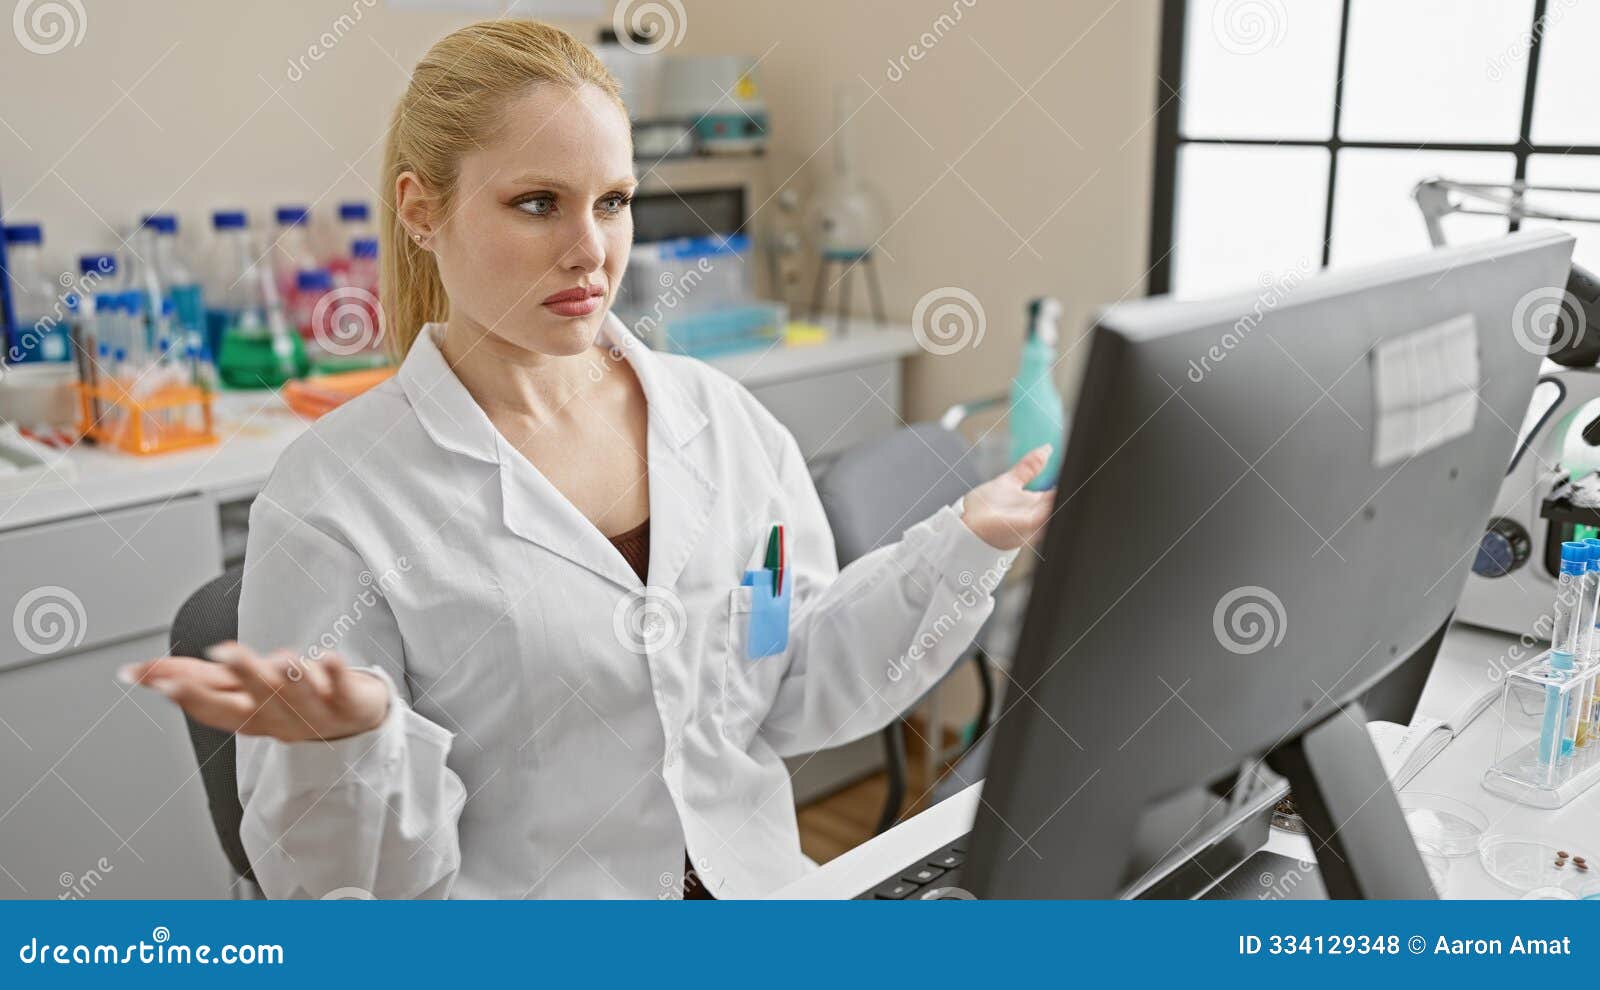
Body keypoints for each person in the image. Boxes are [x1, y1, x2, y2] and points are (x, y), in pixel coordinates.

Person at [122, 19, 1053, 899]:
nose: (589, 252)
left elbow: (794, 683)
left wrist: (965, 543)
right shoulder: (336, 496)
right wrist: (355, 748)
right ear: (420, 210)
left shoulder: (719, 422)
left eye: (612, 203)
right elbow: (337, 892)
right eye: (538, 204)